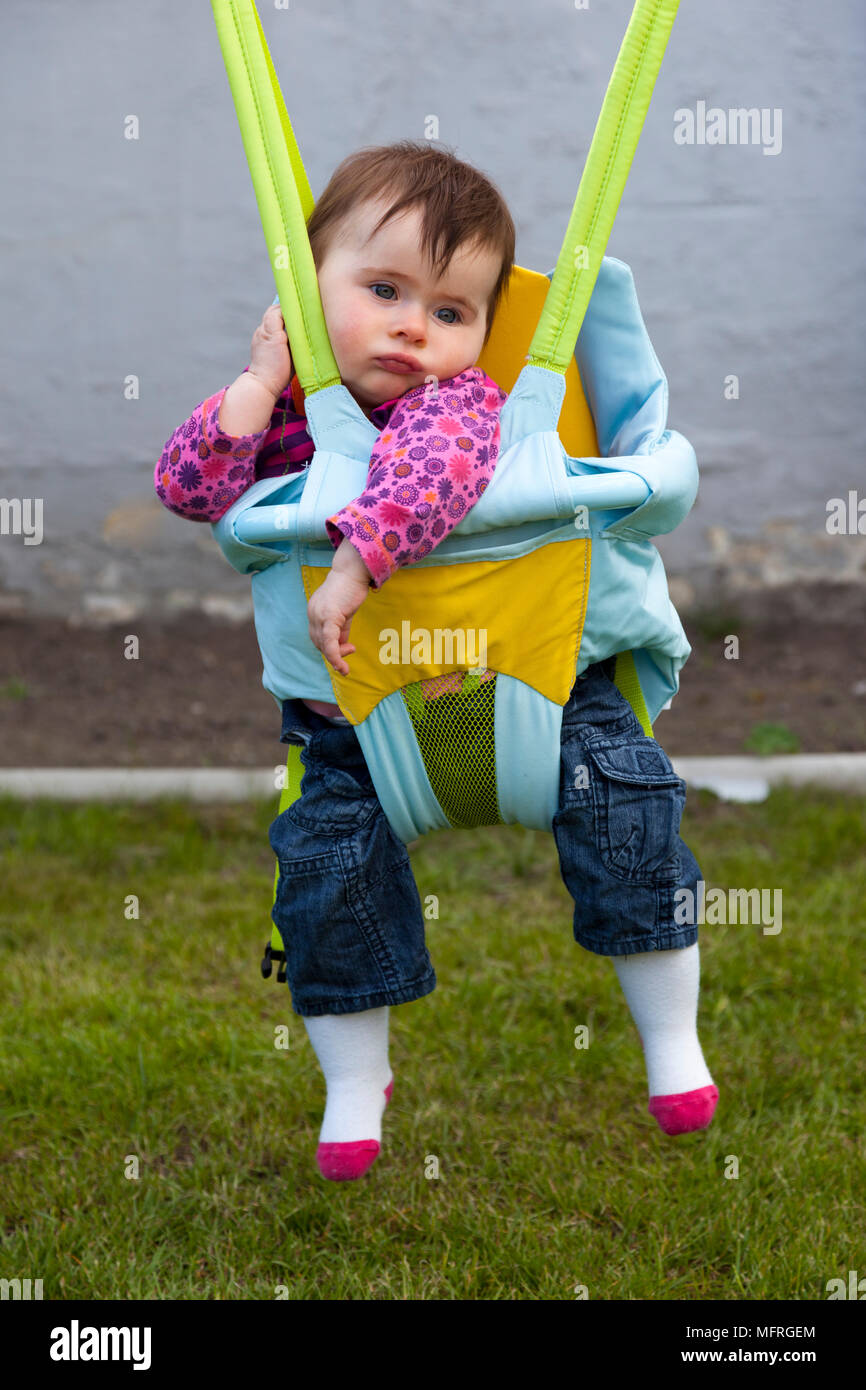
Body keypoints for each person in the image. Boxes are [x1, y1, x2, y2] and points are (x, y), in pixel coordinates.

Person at [154, 140, 717, 1182]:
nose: (415, 326)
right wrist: (256, 384)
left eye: (452, 312)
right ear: (300, 284)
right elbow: (187, 486)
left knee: (625, 805)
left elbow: (426, 477)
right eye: (382, 290)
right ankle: (355, 1082)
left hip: (534, 690)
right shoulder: (285, 419)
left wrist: (352, 565)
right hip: (350, 728)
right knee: (323, 875)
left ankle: (668, 1039)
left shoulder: (463, 406)